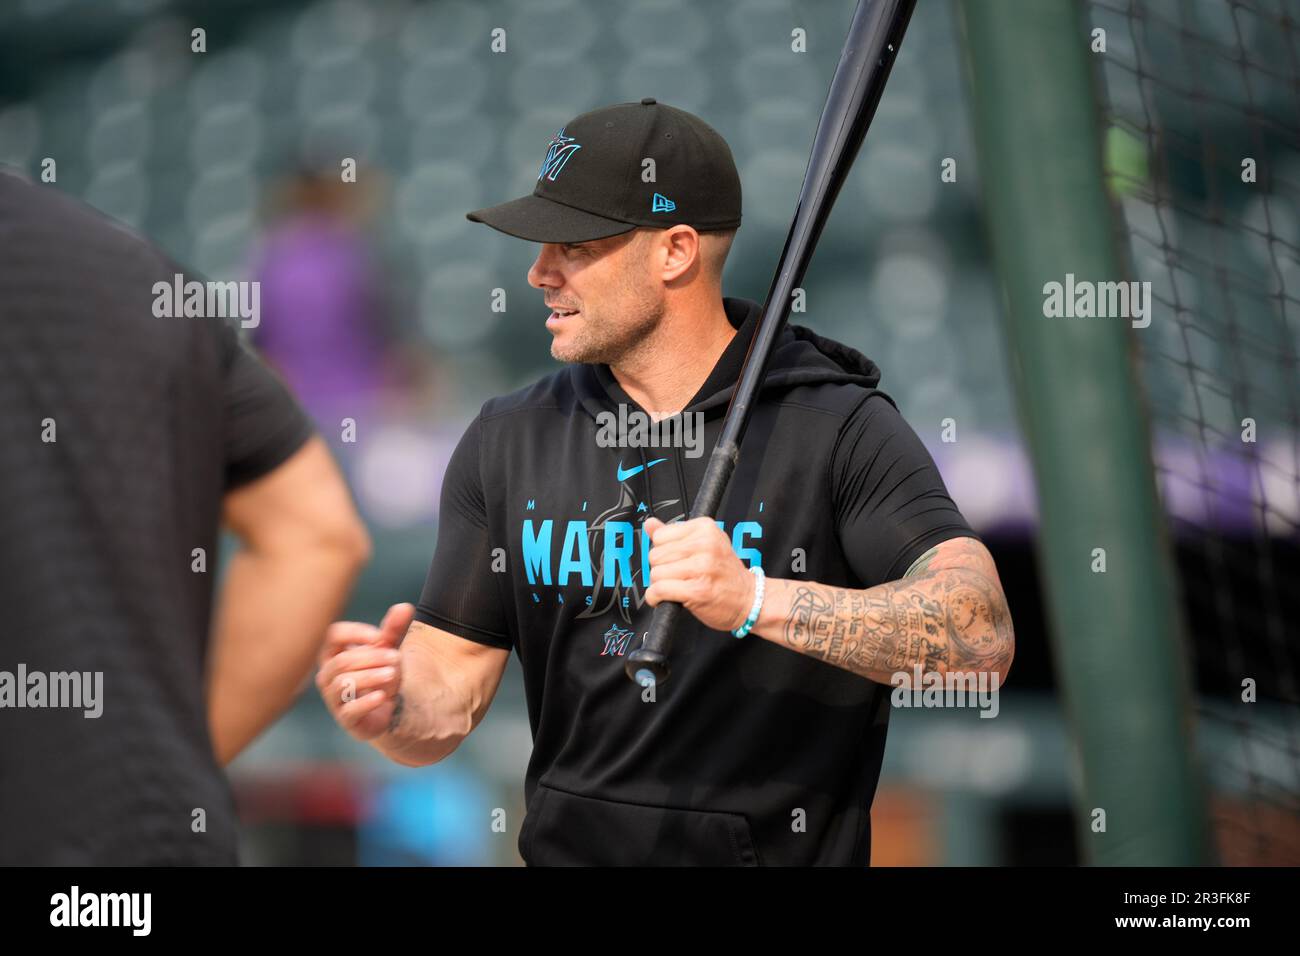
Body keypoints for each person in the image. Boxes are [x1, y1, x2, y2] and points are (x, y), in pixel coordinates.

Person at [317, 100, 1014, 866]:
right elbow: (448, 696)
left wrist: (754, 600)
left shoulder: (835, 425)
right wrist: (394, 706)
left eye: (573, 244)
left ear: (675, 251)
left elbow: (979, 638)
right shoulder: (508, 437)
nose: (538, 272)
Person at [0, 167, 371, 864]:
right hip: (141, 844)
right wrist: (171, 757)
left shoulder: (274, 253)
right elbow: (318, 534)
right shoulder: (137, 271)